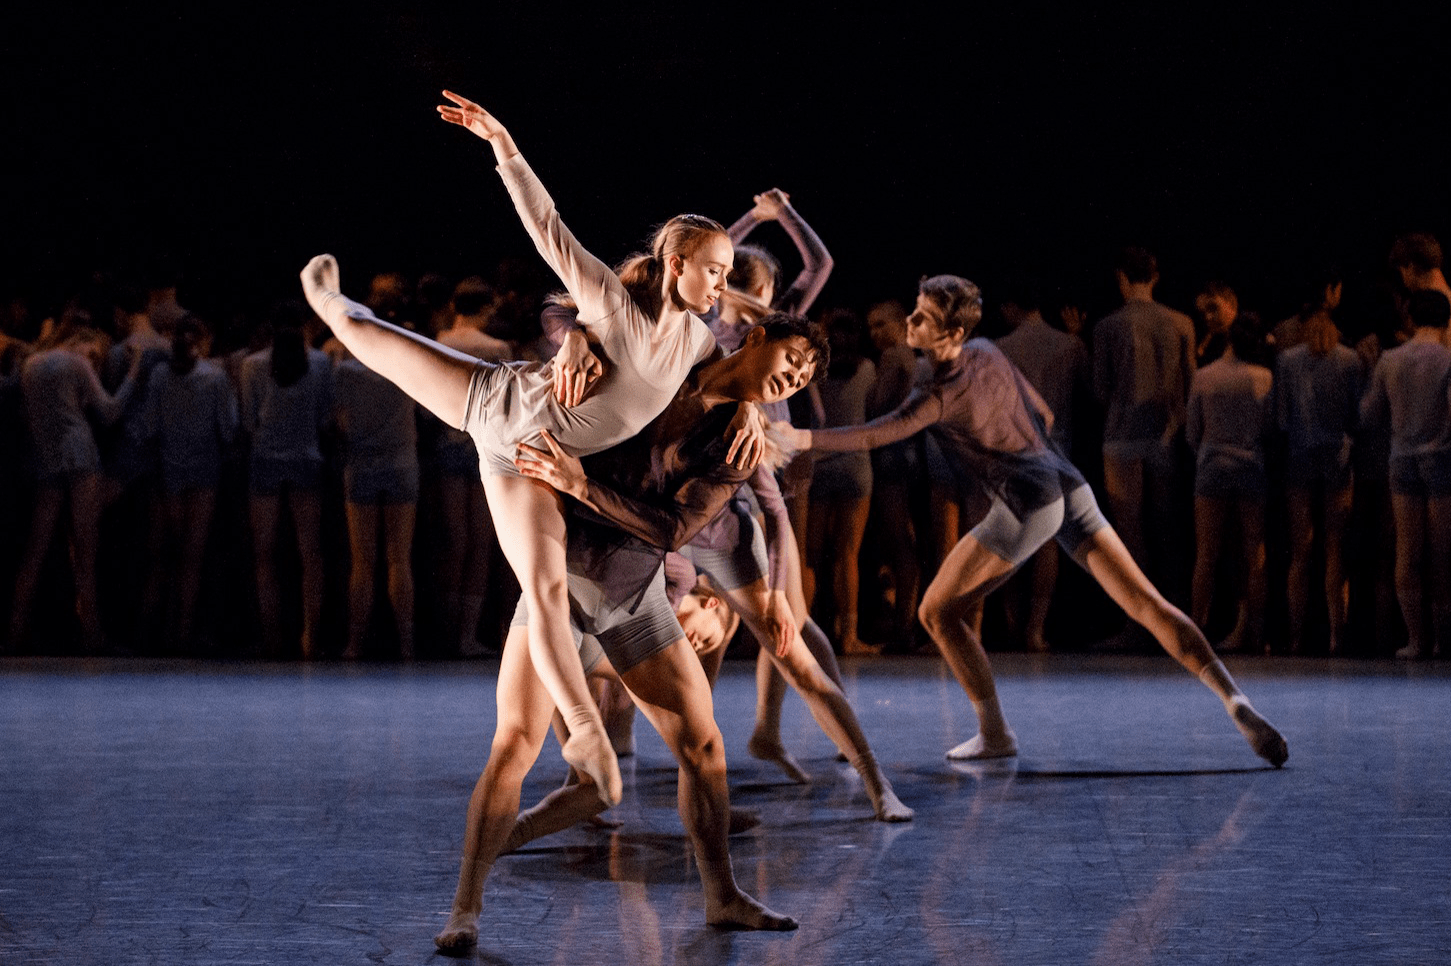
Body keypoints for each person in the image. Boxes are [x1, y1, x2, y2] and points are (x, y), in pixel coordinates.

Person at [300, 91, 761, 809]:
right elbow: (547, 231)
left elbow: (740, 373)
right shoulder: (611, 302)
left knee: (543, 587)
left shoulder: (699, 340)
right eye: (711, 270)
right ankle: (329, 299)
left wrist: (752, 408)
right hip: (500, 402)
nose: (720, 285)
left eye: (728, 274)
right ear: (673, 264)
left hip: (527, 461)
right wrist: (502, 146)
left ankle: (581, 734)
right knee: (377, 343)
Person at [432, 314, 830, 952]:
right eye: (796, 356)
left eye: (807, 373)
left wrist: (580, 485)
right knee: (515, 744)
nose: (798, 373)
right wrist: (581, 341)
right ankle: (464, 908)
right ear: (756, 336)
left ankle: (722, 896)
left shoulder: (737, 438)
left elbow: (673, 530)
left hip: (634, 594)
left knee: (702, 746)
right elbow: (587, 309)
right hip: (560, 583)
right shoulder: (665, 360)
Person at [774, 275, 1288, 768]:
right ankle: (1234, 699)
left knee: (936, 613)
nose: (910, 321)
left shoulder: (940, 390)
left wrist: (802, 441)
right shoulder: (988, 352)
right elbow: (1042, 415)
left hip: (1032, 500)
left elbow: (878, 433)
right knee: (1146, 603)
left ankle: (995, 733)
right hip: (1067, 480)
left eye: (923, 318)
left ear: (952, 334)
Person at [10, 327, 142, 651]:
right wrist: (135, 371)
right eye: (94, 352)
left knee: (36, 550)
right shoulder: (75, 361)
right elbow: (109, 412)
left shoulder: (32, 363)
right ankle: (92, 634)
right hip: (80, 456)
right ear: (82, 340)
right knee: (84, 549)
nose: (93, 359)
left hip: (46, 458)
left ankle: (14, 633)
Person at [1092, 247, 1196, 590]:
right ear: (1155, 278)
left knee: (1129, 530)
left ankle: (1138, 619)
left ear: (1121, 278)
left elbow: (1101, 391)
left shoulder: (1108, 326)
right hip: (1166, 435)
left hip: (1121, 437)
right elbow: (1191, 387)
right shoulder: (1181, 323)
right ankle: (1174, 609)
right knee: (1168, 525)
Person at [1359, 289, 1451, 659]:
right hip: (1442, 459)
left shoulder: (1390, 359)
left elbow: (1369, 414)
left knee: (1407, 553)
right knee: (1442, 555)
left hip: (1402, 459)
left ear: (1410, 318)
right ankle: (1444, 641)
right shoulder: (1447, 360)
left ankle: (1416, 640)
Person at [240, 301, 333, 659]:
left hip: (265, 459)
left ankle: (272, 636)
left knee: (265, 556)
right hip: (307, 459)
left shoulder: (252, 365)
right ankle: (310, 636)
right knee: (311, 555)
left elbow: (248, 421)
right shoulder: (321, 364)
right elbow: (326, 417)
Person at [140, 314, 239, 651]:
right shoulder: (215, 377)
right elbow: (228, 428)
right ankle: (182, 632)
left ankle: (151, 631)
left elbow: (149, 426)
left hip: (169, 469)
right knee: (192, 557)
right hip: (203, 471)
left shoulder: (158, 375)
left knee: (162, 555)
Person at [1276, 272, 1362, 654]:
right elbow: (1358, 417)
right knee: (1335, 550)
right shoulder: (1351, 360)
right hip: (1338, 462)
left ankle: (1294, 638)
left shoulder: (1287, 361)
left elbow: (1280, 418)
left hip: (1299, 458)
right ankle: (1336, 637)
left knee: (1300, 553)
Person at [1186, 317, 1274, 653]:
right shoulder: (1263, 377)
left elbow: (1193, 431)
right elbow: (1268, 428)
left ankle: (1196, 633)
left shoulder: (1204, 377)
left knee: (1207, 552)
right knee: (1254, 553)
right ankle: (1257, 633)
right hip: (1250, 466)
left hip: (1211, 467)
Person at [333, 342, 420, 660]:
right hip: (402, 463)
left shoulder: (346, 370)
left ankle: (355, 644)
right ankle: (407, 644)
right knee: (400, 559)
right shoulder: (405, 362)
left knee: (362, 563)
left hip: (361, 464)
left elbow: (339, 419)